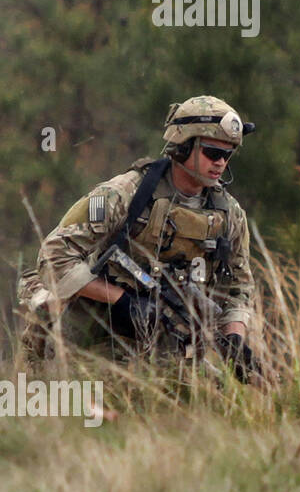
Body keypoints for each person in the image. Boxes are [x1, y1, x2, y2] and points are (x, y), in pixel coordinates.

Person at [17, 95, 263, 383]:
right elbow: (55, 255)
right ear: (183, 145)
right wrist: (123, 301)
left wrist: (234, 339)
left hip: (168, 351)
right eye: (212, 152)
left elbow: (238, 287)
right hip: (95, 336)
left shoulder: (229, 215)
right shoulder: (124, 194)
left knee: (214, 395)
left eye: (227, 154)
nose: (220, 162)